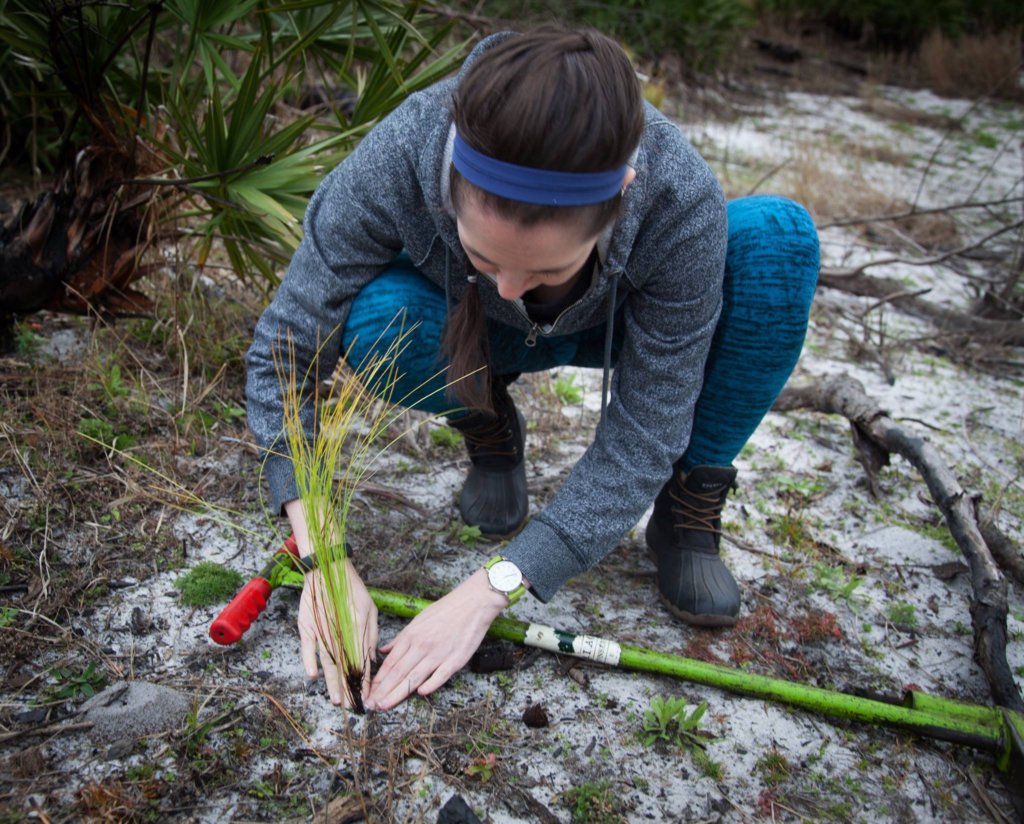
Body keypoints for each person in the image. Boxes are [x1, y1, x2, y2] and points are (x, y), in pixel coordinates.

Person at [245, 28, 820, 711]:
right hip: (468, 335)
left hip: (617, 334)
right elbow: (287, 343)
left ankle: (690, 500)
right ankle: (484, 416)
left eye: (547, 267)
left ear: (622, 196)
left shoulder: (676, 194)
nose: (512, 288)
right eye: (486, 259)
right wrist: (321, 553)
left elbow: (644, 430)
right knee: (379, 317)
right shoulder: (403, 149)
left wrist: (493, 588)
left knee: (776, 240)